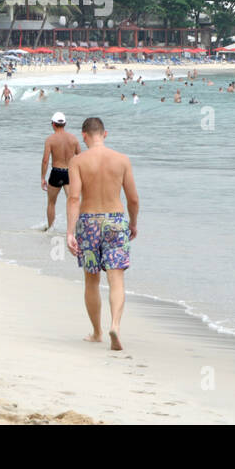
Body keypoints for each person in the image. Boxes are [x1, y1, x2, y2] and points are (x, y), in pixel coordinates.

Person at [66, 116, 139, 351]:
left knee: (91, 280)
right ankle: (115, 326)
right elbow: (133, 199)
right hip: (116, 221)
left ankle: (97, 332)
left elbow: (74, 198)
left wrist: (70, 232)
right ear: (105, 134)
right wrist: (134, 223)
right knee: (116, 279)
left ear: (84, 136)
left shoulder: (77, 161)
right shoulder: (122, 160)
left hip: (88, 222)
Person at [40, 112, 80, 231]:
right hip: (70, 173)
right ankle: (73, 230)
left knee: (51, 203)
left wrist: (43, 178)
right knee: (72, 202)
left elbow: (45, 160)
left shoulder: (50, 139)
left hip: (56, 173)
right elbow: (81, 157)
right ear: (65, 123)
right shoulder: (73, 138)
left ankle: (51, 229)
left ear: (53, 124)